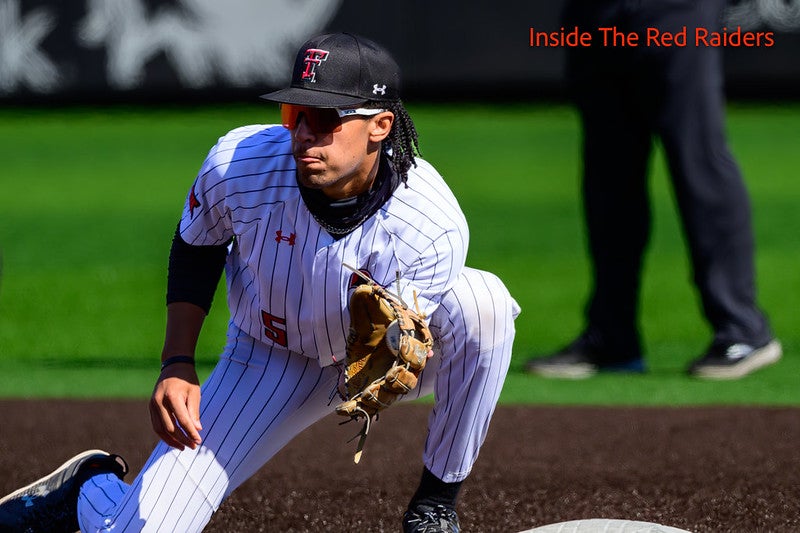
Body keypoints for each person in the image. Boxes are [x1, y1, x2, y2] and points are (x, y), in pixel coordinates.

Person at [0, 33, 519, 532]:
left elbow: (404, 343)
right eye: (295, 114)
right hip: (266, 355)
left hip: (359, 360)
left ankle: (434, 505)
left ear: (380, 125)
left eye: (324, 117)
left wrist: (398, 342)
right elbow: (196, 245)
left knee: (484, 304)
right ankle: (91, 491)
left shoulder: (431, 220)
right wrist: (177, 362)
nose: (304, 132)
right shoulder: (240, 162)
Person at [526, 0, 781, 380]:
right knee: (608, 177)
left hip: (671, 9)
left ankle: (742, 328)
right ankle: (612, 338)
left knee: (699, 162)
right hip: (595, 13)